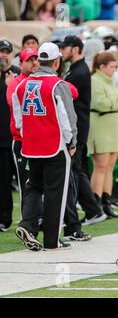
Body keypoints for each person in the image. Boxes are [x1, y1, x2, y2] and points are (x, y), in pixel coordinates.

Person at [13, 42, 78, 250]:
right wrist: (72, 141)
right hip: (54, 145)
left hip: (31, 146)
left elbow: (18, 117)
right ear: (57, 61)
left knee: (34, 186)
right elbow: (68, 117)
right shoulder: (58, 84)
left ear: (39, 60)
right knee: (55, 193)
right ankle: (51, 240)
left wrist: (27, 135)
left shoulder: (21, 85)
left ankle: (27, 225)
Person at [62, 35, 107, 230]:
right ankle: (93, 210)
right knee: (77, 171)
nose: (63, 51)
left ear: (75, 49)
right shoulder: (76, 70)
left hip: (77, 129)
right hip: (79, 128)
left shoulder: (78, 73)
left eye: (65, 48)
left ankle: (92, 210)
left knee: (75, 172)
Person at [87, 51, 118, 218]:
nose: (115, 69)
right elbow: (99, 103)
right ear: (102, 67)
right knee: (100, 167)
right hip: (100, 125)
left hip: (113, 125)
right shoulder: (94, 80)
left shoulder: (111, 81)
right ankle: (95, 205)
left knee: (110, 166)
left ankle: (107, 202)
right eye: (113, 66)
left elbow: (117, 102)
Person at [6, 48, 41, 230]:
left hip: (39, 143)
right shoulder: (15, 84)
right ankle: (26, 225)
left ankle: (39, 222)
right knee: (26, 184)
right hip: (22, 141)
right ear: (21, 64)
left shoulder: (40, 81)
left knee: (39, 185)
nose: (34, 63)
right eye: (30, 60)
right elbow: (16, 105)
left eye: (36, 59)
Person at [0, 39, 20, 232]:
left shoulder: (16, 74)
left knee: (23, 181)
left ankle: (29, 219)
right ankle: (3, 219)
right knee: (3, 182)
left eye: (7, 51)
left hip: (15, 136)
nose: (3, 55)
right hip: (2, 138)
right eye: (1, 51)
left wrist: (10, 85)